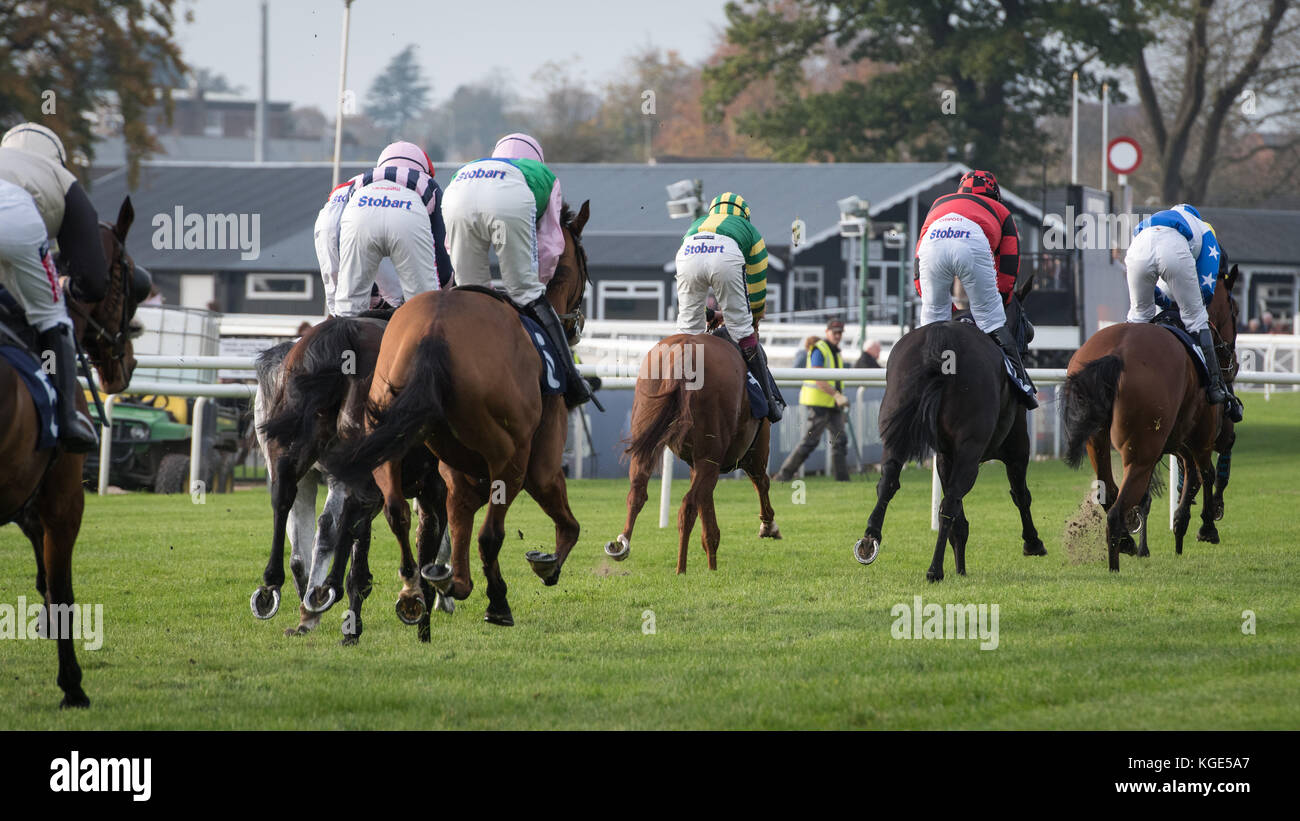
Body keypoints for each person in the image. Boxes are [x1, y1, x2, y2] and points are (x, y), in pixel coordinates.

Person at [441, 133, 592, 408]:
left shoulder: (475, 165)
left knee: (469, 294)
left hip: (457, 194)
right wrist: (537, 287)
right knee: (526, 291)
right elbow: (549, 246)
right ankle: (572, 380)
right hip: (506, 200)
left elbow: (451, 245)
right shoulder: (542, 174)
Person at [0, 122, 109, 452]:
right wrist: (68, 285)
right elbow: (94, 279)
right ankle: (67, 420)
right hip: (14, 217)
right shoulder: (61, 177)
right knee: (52, 316)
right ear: (57, 157)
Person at [913, 169, 1037, 408]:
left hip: (932, 246)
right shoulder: (1001, 211)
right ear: (994, 194)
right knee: (992, 320)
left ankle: (920, 382)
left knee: (932, 325)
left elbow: (918, 263)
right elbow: (1009, 267)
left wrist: (945, 309)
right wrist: (999, 302)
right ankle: (1022, 383)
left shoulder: (939, 203)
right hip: (971, 243)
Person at [674, 191, 782, 422]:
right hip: (726, 254)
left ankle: (675, 393)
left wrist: (711, 314)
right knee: (743, 332)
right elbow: (756, 287)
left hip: (688, 252)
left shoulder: (698, 223)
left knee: (687, 332)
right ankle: (770, 401)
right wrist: (751, 316)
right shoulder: (749, 230)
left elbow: (687, 298)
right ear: (745, 215)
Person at [1126, 202, 1241, 420]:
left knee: (1138, 318)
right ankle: (1216, 387)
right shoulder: (1206, 232)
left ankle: (1126, 380)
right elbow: (1207, 291)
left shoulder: (1155, 220)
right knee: (1197, 319)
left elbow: (1157, 295)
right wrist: (1189, 308)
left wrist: (1168, 303)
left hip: (1137, 247)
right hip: (1172, 251)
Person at [314, 140, 452, 317]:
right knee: (423, 308)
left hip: (355, 214)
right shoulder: (427, 183)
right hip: (406, 218)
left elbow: (338, 231)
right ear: (424, 170)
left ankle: (342, 337)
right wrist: (445, 290)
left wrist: (371, 297)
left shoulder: (361, 179)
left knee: (347, 311)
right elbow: (440, 251)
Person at [773, 319, 850, 482]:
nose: (837, 336)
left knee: (840, 440)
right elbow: (818, 378)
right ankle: (783, 475)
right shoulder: (819, 350)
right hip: (819, 403)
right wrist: (837, 395)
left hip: (831, 403)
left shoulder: (834, 351)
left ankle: (842, 479)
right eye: (835, 332)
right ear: (827, 332)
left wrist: (837, 397)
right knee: (810, 442)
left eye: (840, 333)